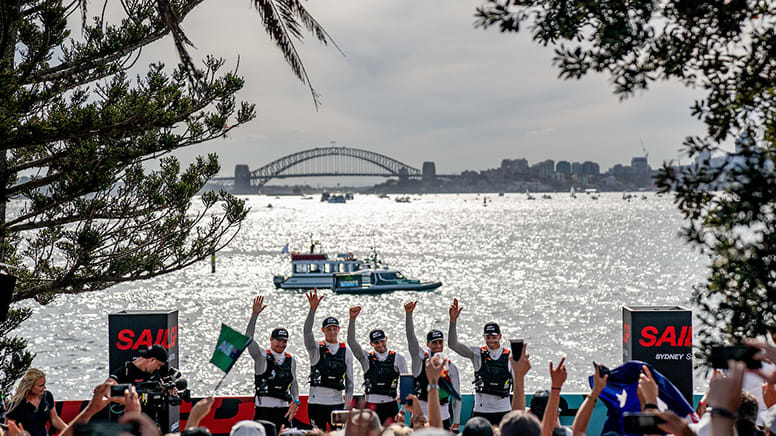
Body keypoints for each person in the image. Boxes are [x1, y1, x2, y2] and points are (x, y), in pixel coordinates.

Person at [448, 298, 512, 425]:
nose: (491, 341)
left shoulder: (510, 356)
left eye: (494, 337)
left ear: (500, 336)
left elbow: (518, 385)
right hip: (481, 411)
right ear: (484, 337)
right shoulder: (477, 354)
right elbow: (452, 344)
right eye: (488, 338)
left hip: (504, 410)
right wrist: (453, 321)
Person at [245, 295, 300, 432]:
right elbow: (248, 339)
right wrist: (254, 315)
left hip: (283, 410)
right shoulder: (261, 356)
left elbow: (294, 383)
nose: (281, 344)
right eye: (278, 340)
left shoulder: (290, 359)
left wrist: (296, 401)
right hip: (264, 411)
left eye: (284, 341)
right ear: (271, 340)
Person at [404, 301, 461, 430]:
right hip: (422, 418)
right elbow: (411, 339)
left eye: (440, 342)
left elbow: (457, 396)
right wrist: (409, 314)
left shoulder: (450, 367)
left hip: (444, 418)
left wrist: (456, 421)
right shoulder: (419, 361)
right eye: (434, 343)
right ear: (428, 344)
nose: (438, 345)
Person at [347, 305, 408, 424]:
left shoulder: (398, 358)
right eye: (376, 343)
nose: (380, 345)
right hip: (371, 406)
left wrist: (403, 411)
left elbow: (405, 385)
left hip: (391, 405)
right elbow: (352, 342)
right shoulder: (366, 358)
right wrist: (352, 320)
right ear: (371, 344)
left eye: (382, 341)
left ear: (386, 339)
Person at [303, 290, 354, 430]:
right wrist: (312, 310)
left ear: (338, 330)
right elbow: (307, 332)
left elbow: (350, 382)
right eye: (328, 329)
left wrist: (347, 406)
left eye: (334, 329)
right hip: (316, 403)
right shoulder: (315, 349)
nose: (332, 332)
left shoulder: (346, 351)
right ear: (323, 330)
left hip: (337, 404)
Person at [108, 344, 170, 421]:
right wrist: (133, 398)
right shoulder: (125, 372)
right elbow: (106, 390)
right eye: (159, 365)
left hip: (150, 422)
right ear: (152, 360)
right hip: (130, 423)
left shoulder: (156, 371)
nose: (158, 368)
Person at [5, 369, 66, 436]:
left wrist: (68, 429)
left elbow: (54, 419)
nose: (44, 387)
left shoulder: (47, 396)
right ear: (30, 387)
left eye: (44, 385)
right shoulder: (16, 403)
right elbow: (8, 429)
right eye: (41, 386)